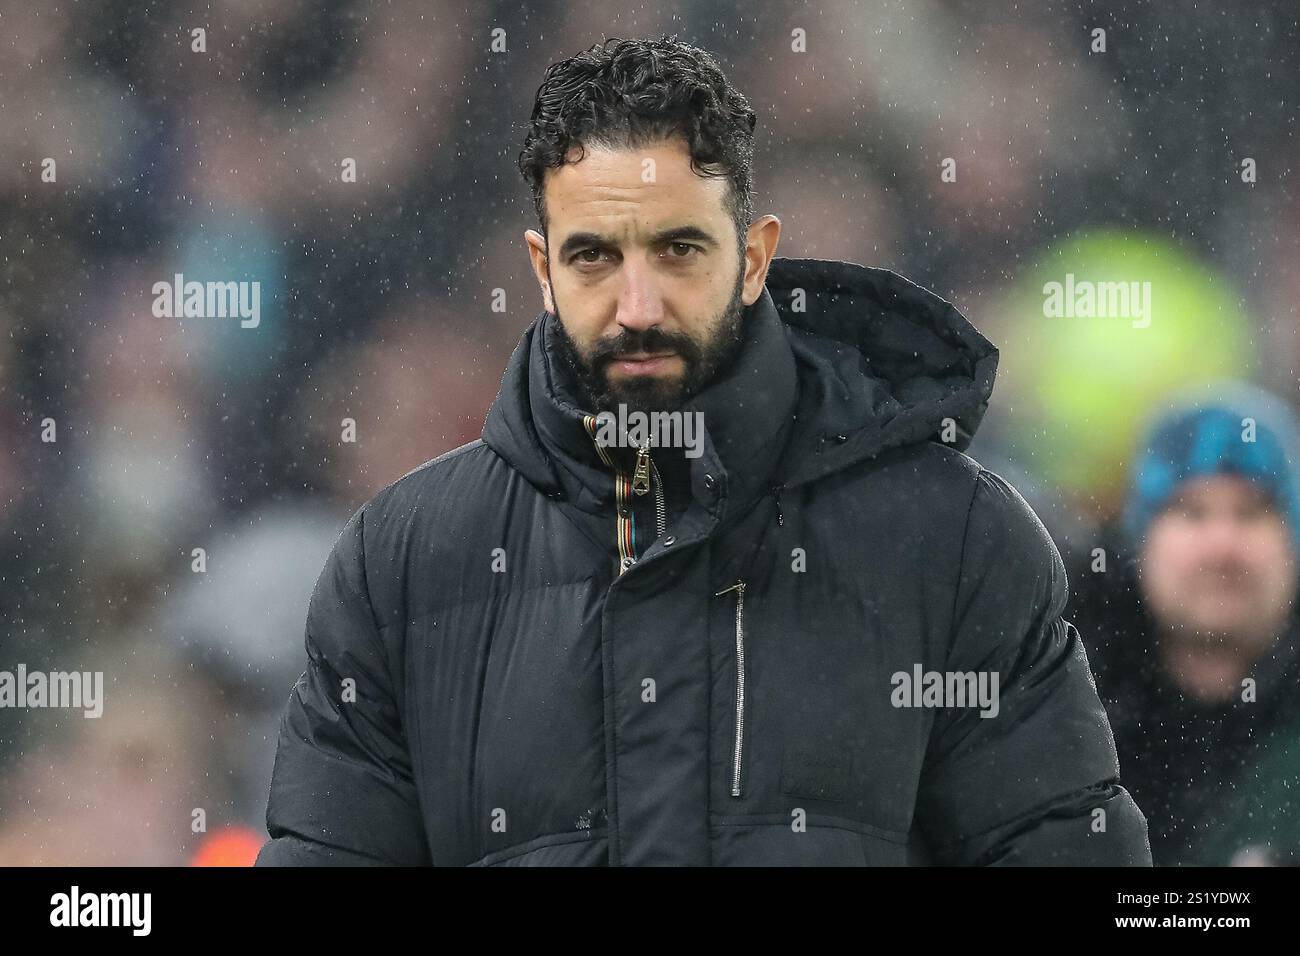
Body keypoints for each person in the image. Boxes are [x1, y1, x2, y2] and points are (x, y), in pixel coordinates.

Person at [256, 35, 1149, 866]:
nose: (636, 304)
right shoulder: (401, 567)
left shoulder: (957, 544)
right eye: (594, 257)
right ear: (541, 268)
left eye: (679, 249)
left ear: (755, 258)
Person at [1071, 381, 1300, 865]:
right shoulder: (1064, 713)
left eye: (1252, 512)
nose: (1222, 545)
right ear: (1141, 541)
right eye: (1191, 511)